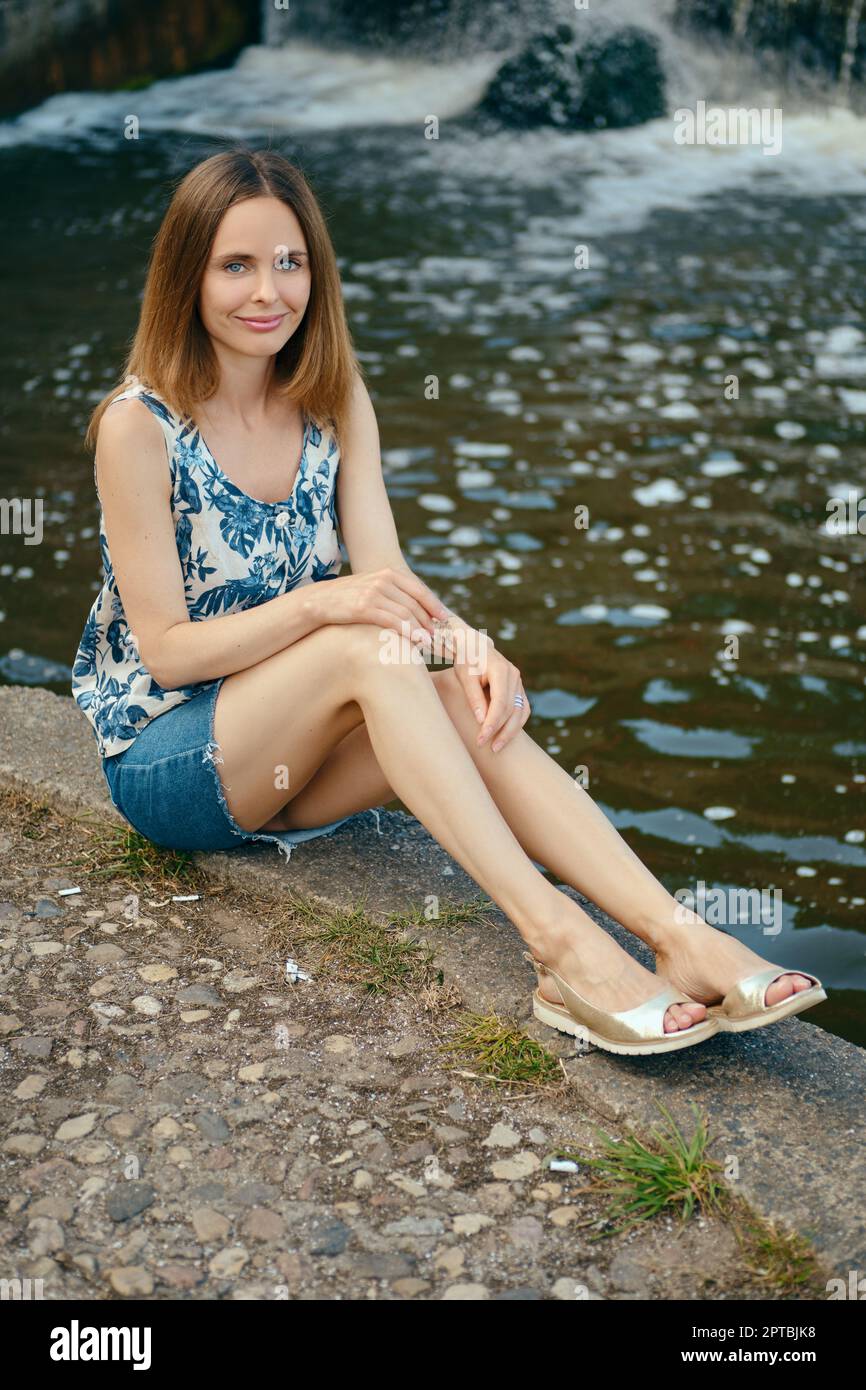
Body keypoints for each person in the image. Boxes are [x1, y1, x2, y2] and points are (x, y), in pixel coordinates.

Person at [71, 147, 825, 1057]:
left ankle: (678, 937)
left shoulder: (332, 396)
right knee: (366, 647)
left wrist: (470, 647)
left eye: (290, 262)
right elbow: (167, 652)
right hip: (171, 759)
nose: (268, 291)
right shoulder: (138, 426)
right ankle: (560, 944)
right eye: (236, 265)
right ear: (186, 276)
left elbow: (386, 575)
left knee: (451, 691)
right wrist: (328, 607)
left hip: (297, 750)